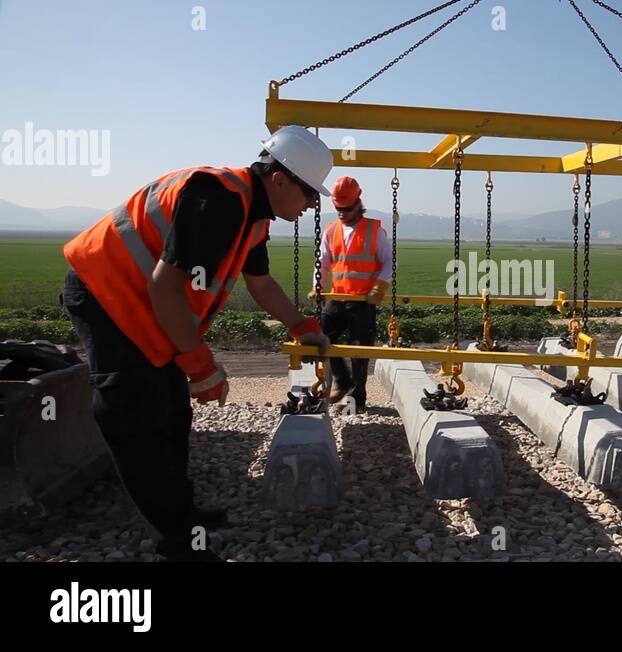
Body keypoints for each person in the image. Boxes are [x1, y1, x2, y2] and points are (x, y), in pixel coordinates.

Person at [61, 126, 333, 561]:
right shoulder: (218, 199)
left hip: (143, 304)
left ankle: (184, 515)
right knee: (136, 412)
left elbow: (260, 283)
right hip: (105, 293)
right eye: (309, 194)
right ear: (280, 180)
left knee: (172, 411)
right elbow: (166, 287)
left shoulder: (252, 216)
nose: (312, 206)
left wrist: (301, 325)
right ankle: (178, 541)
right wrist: (200, 365)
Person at [316, 176, 391, 413]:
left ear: (358, 203)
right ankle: (342, 380)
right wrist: (317, 284)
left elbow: (389, 261)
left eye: (346, 208)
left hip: (362, 300)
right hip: (337, 297)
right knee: (323, 338)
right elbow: (323, 261)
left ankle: (357, 398)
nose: (342, 213)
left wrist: (379, 287)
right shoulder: (331, 230)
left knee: (360, 349)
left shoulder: (374, 230)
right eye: (338, 208)